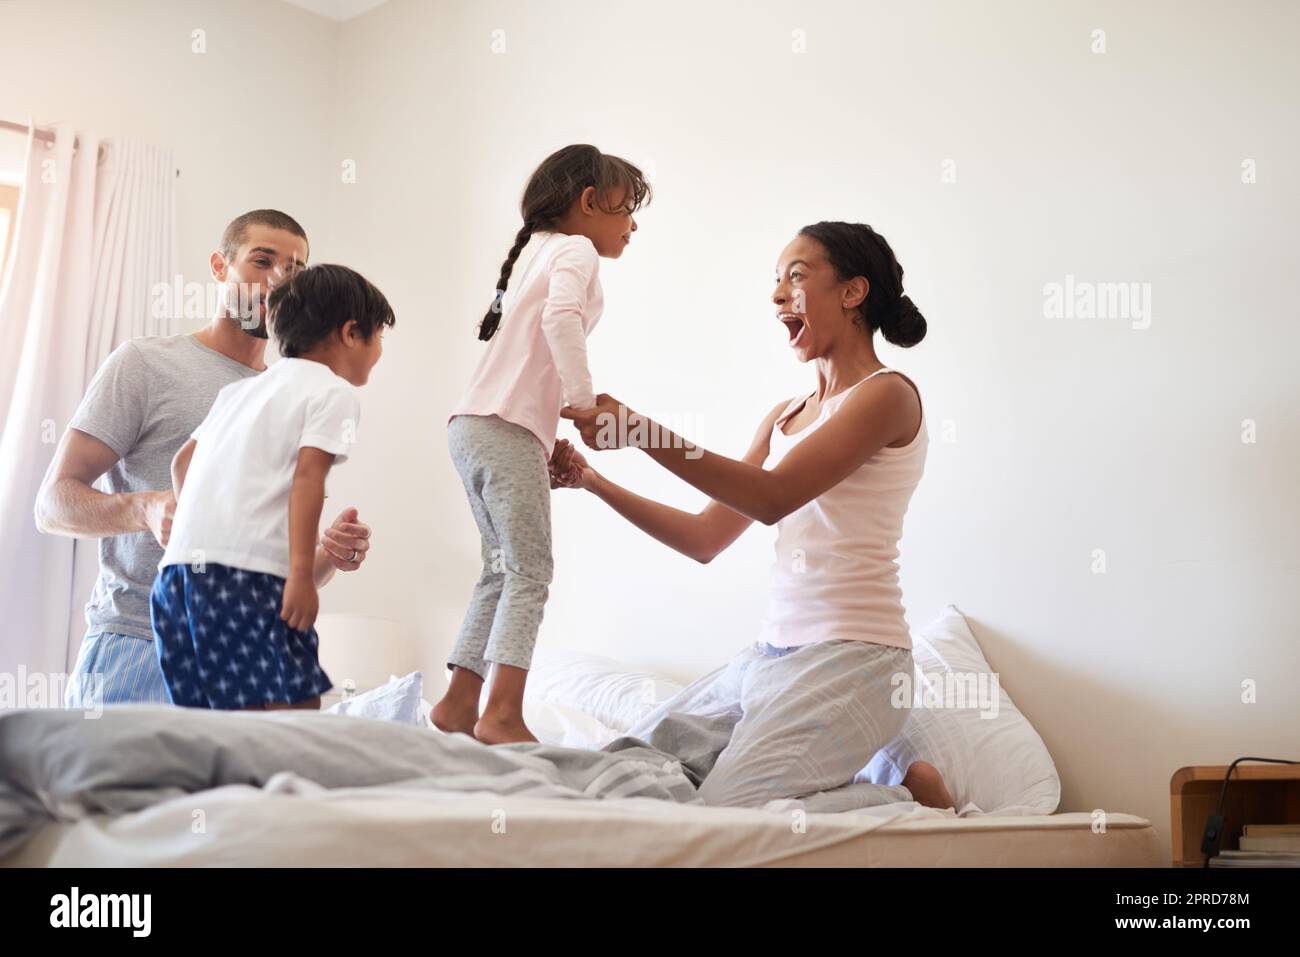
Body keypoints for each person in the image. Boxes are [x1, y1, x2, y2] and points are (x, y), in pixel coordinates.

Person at [553, 221, 956, 811]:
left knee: (723, 819)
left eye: (796, 276)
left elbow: (771, 498)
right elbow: (705, 537)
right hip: (768, 658)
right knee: (628, 772)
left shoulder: (887, 395)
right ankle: (860, 783)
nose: (776, 295)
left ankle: (907, 800)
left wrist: (638, 428)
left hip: (856, 663)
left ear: (852, 292)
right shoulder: (785, 415)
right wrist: (593, 481)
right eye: (775, 281)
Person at [34, 210, 375, 707]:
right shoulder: (145, 363)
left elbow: (272, 560)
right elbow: (51, 505)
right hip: (137, 643)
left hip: (243, 648)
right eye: (263, 260)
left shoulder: (293, 395)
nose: (279, 279)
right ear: (220, 267)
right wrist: (146, 509)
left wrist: (328, 557)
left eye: (295, 270)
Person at [432, 145, 651, 744]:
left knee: (499, 570)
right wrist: (581, 402)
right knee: (532, 570)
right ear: (589, 204)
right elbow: (559, 324)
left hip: (472, 425)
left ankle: (457, 705)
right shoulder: (578, 249)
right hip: (503, 429)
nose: (633, 226)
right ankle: (501, 714)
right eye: (627, 210)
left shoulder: (540, 251)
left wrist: (548, 432)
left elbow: (527, 359)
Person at [150, 264, 394, 710]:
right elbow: (307, 480)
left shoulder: (241, 392)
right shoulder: (333, 394)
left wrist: (203, 530)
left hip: (176, 579)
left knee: (214, 731)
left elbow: (182, 461)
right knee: (293, 713)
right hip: (244, 581)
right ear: (350, 333)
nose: (379, 351)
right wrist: (301, 576)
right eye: (377, 336)